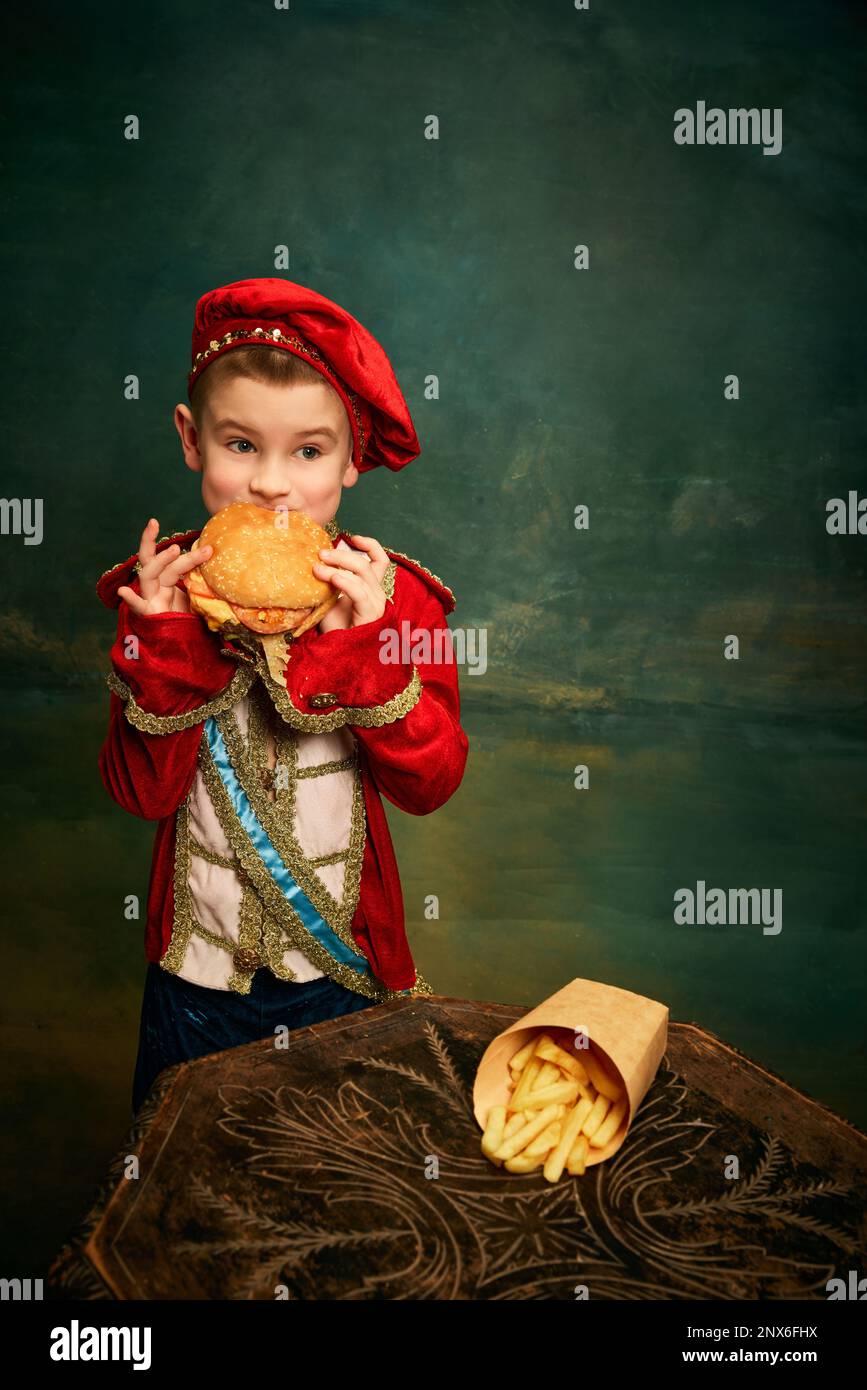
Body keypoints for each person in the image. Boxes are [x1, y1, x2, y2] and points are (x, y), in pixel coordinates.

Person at [95, 277, 469, 1115]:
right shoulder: (156, 596)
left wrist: (367, 651)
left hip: (339, 976)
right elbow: (138, 792)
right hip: (195, 982)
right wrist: (160, 649)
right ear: (191, 440)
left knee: (340, 1191)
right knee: (180, 1190)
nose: (271, 485)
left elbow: (430, 785)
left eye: (308, 451)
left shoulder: (397, 601)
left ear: (351, 458)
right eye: (240, 445)